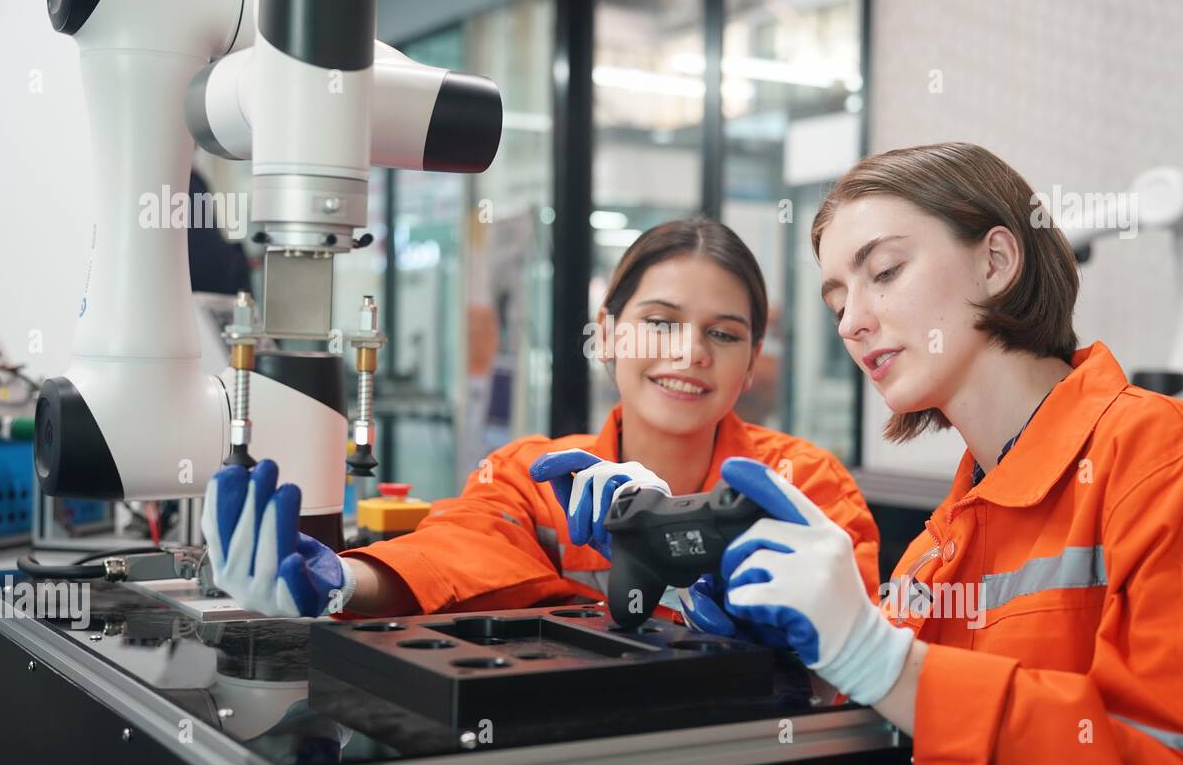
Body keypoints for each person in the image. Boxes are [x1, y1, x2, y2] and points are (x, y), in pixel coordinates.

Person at [702, 142, 1183, 765]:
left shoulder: (1173, 463)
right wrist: (792, 652)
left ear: (996, 261)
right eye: (838, 301)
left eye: (886, 271)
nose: (851, 324)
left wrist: (884, 660)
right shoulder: (944, 538)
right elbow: (892, 716)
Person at [201, 217, 881, 628]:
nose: (689, 353)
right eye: (661, 323)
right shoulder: (536, 474)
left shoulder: (803, 483)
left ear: (751, 360)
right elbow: (450, 554)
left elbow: (841, 645)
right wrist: (339, 581)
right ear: (609, 333)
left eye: (725, 335)